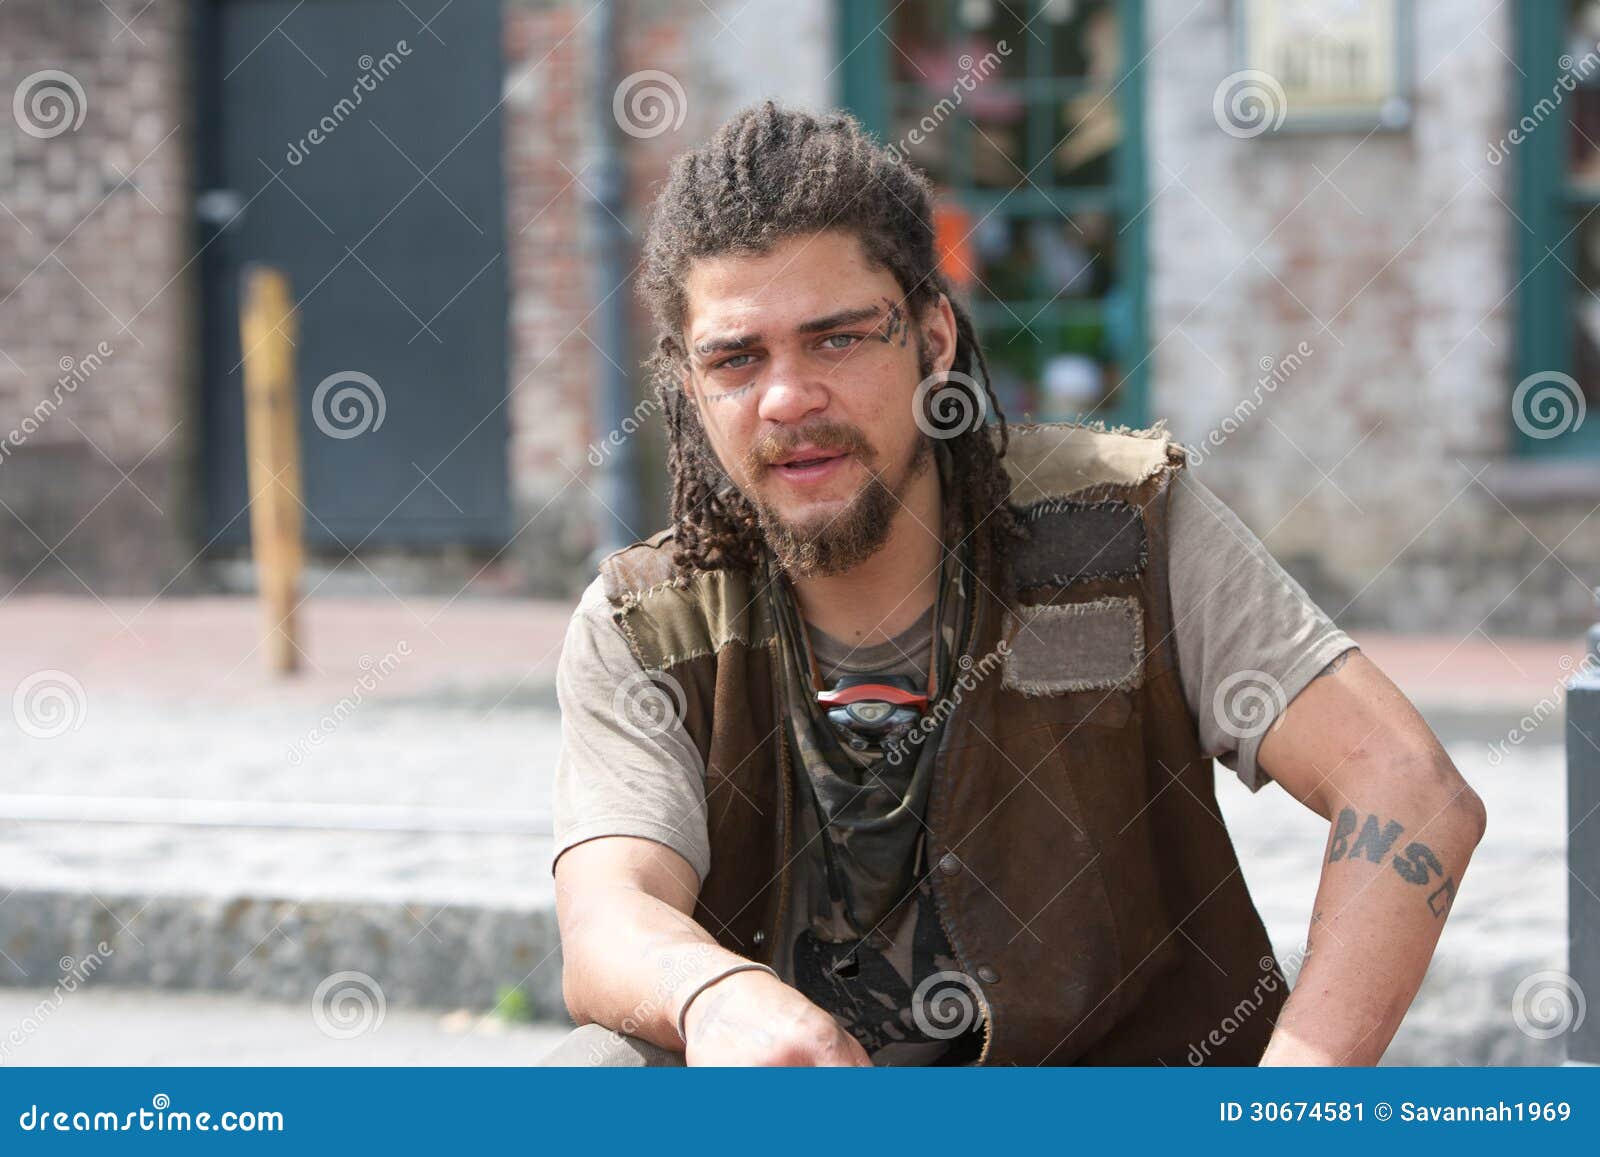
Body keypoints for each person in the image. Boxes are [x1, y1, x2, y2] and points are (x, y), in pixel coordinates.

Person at [539, 101, 1486, 1067]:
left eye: (837, 339)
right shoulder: (648, 622)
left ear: (933, 339)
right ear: (691, 388)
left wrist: (1298, 1094)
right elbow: (613, 909)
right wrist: (714, 996)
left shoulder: (1125, 529)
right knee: (595, 1074)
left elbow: (1410, 789)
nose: (787, 398)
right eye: (737, 359)